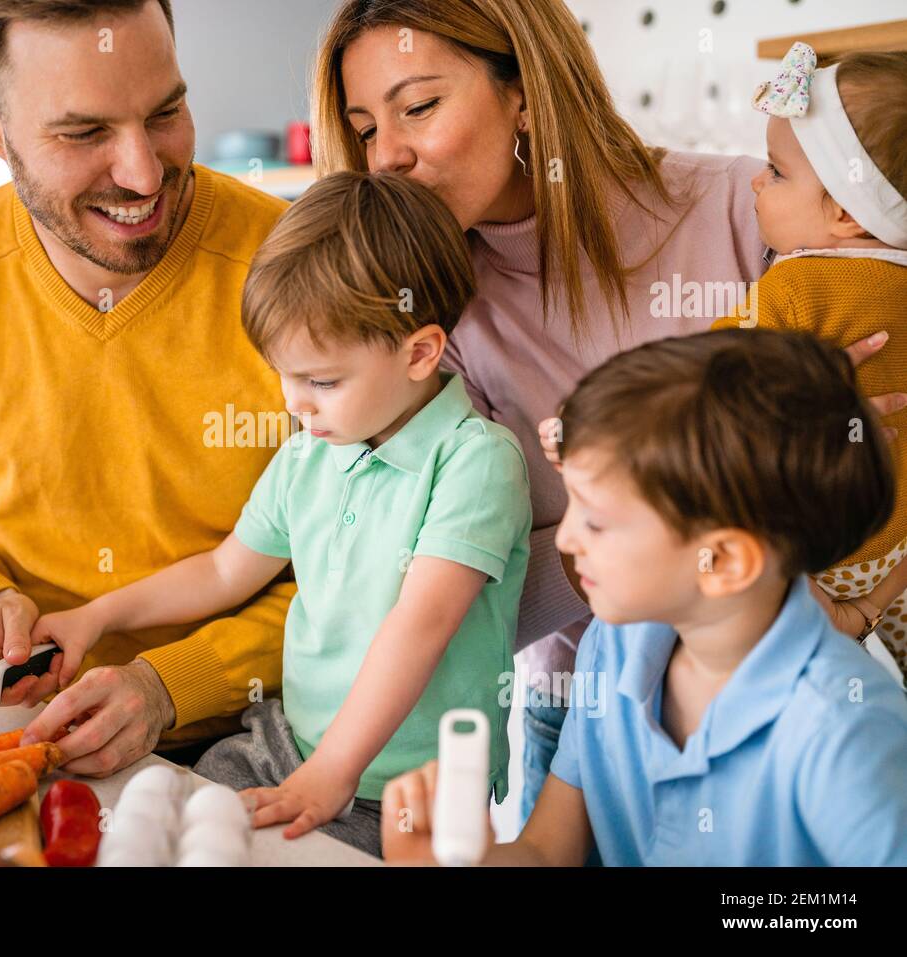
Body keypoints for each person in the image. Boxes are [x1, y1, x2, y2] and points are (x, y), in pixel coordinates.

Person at [312, 0, 906, 826]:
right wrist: (672, 511)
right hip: (590, 703)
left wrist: (865, 607)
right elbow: (469, 604)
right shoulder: (429, 321)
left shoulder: (749, 208)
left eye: (418, 106)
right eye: (364, 127)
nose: (389, 156)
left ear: (523, 88)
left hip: (792, 676)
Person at [29, 171, 531, 857]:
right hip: (287, 739)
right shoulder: (310, 456)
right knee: (175, 824)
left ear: (420, 353)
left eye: (322, 381)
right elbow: (221, 570)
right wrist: (98, 614)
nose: (295, 402)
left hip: (410, 790)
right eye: (284, 375)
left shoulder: (475, 462)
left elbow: (421, 626)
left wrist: (335, 771)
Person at [0, 0, 296, 776]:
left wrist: (171, 683)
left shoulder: (296, 270)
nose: (144, 172)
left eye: (167, 112)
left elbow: (362, 559)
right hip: (34, 732)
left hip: (274, 732)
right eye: (84, 132)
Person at [383, 329, 907, 866]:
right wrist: (458, 860)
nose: (564, 539)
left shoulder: (845, 730)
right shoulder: (614, 645)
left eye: (597, 520)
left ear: (723, 562)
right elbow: (545, 851)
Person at [713, 43, 907, 676]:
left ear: (845, 213)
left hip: (818, 548)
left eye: (777, 171)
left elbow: (714, 373)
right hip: (895, 544)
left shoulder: (798, 286)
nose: (757, 182)